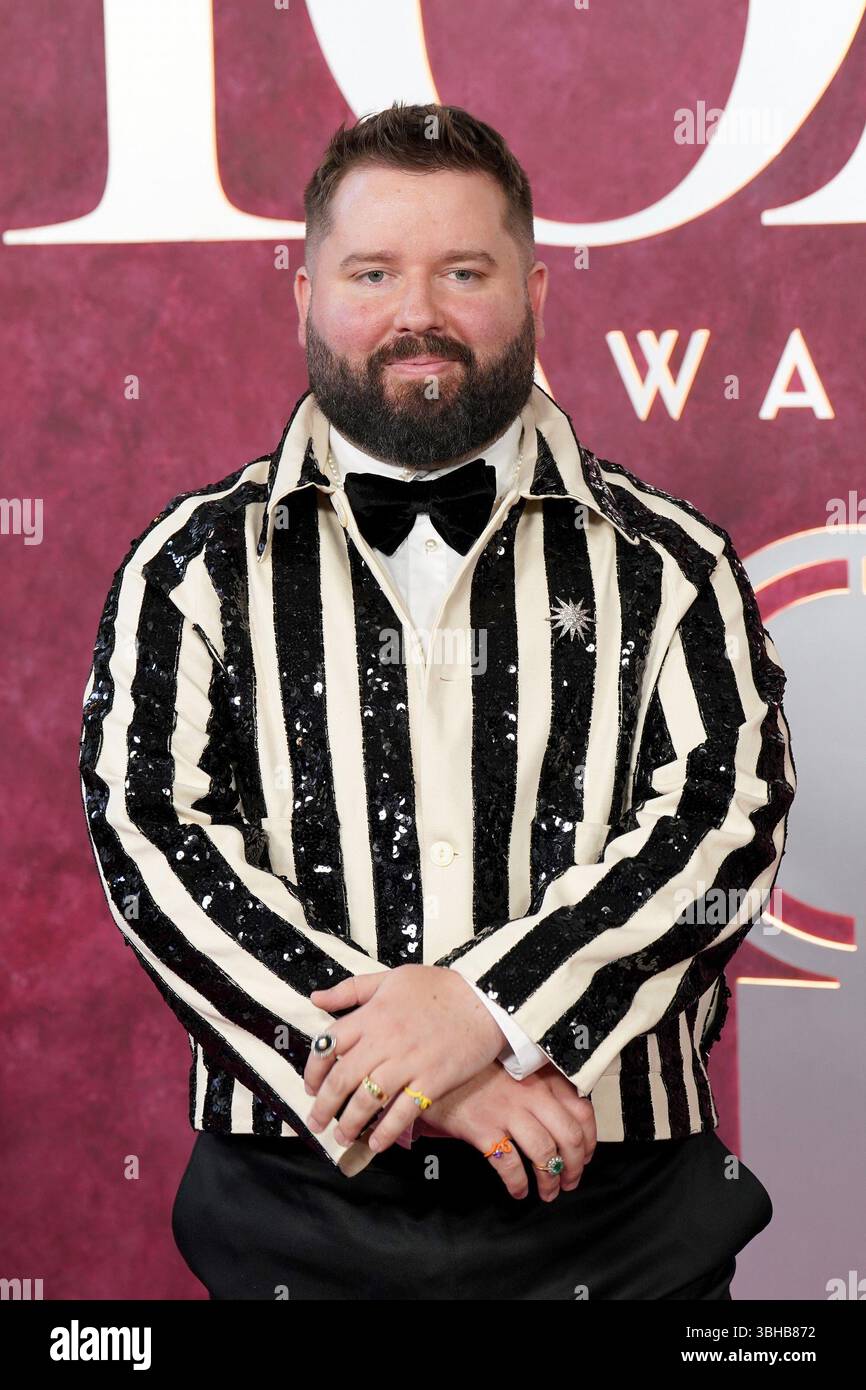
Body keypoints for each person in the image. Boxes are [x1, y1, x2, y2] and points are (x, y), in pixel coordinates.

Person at [79, 102, 795, 1300]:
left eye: (463, 270)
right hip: (294, 1210)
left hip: (618, 1217)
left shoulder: (669, 562)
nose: (418, 312)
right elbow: (150, 844)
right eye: (373, 272)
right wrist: (430, 1075)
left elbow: (722, 825)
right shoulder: (188, 567)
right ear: (302, 296)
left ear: (533, 294)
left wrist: (490, 1008)